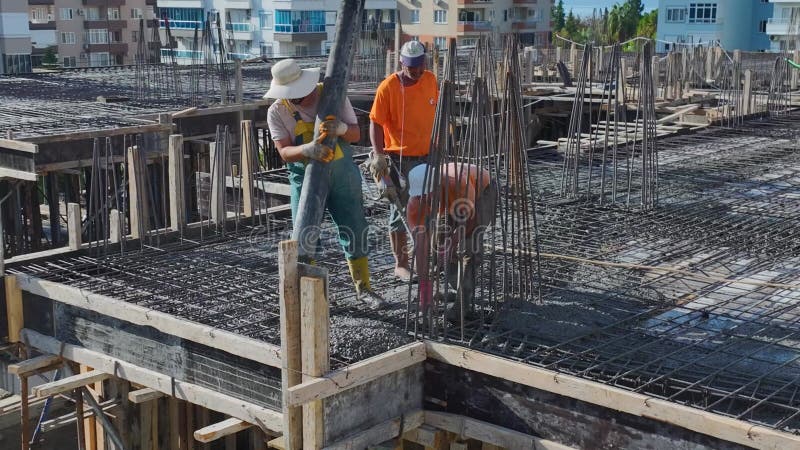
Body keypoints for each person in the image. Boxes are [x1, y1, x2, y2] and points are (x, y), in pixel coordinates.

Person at [264, 58, 383, 307]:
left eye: (304, 94)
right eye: (296, 97)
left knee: (355, 226)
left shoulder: (332, 96)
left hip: (342, 174)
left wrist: (340, 128)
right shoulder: (277, 111)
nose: (303, 99)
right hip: (303, 177)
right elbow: (284, 152)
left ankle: (364, 288)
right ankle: (313, 296)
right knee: (305, 234)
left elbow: (355, 134)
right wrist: (308, 149)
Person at [368, 40, 439, 281]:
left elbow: (436, 113)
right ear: (402, 63)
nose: (416, 73)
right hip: (400, 159)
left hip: (427, 156)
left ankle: (423, 260)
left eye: (419, 67)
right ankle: (401, 264)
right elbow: (375, 123)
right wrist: (379, 156)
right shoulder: (388, 87)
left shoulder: (430, 80)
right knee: (400, 212)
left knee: (427, 210)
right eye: (411, 69)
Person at [405, 163, 497, 321]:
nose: (424, 200)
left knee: (469, 247)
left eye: (427, 195)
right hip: (449, 201)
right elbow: (421, 251)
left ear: (437, 186)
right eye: (420, 197)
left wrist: (453, 243)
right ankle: (459, 288)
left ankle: (463, 306)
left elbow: (470, 222)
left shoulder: (458, 184)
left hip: (482, 192)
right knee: (438, 242)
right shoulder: (415, 204)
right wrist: (425, 296)